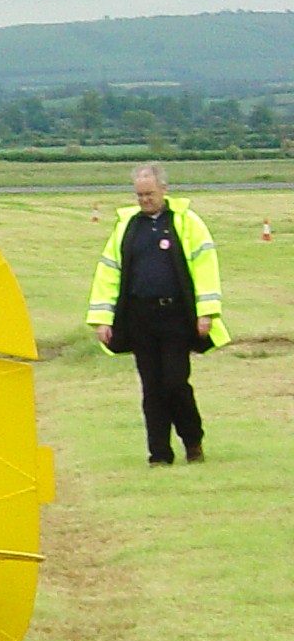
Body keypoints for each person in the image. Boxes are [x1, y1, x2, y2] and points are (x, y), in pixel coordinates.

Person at [88, 163, 228, 465]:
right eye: (139, 195)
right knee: (151, 389)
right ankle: (159, 454)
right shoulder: (126, 227)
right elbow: (108, 272)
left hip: (176, 318)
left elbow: (205, 269)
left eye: (149, 194)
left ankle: (193, 441)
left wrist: (207, 313)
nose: (144, 200)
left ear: (164, 189)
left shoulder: (187, 223)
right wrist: (102, 318)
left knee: (175, 383)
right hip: (140, 319)